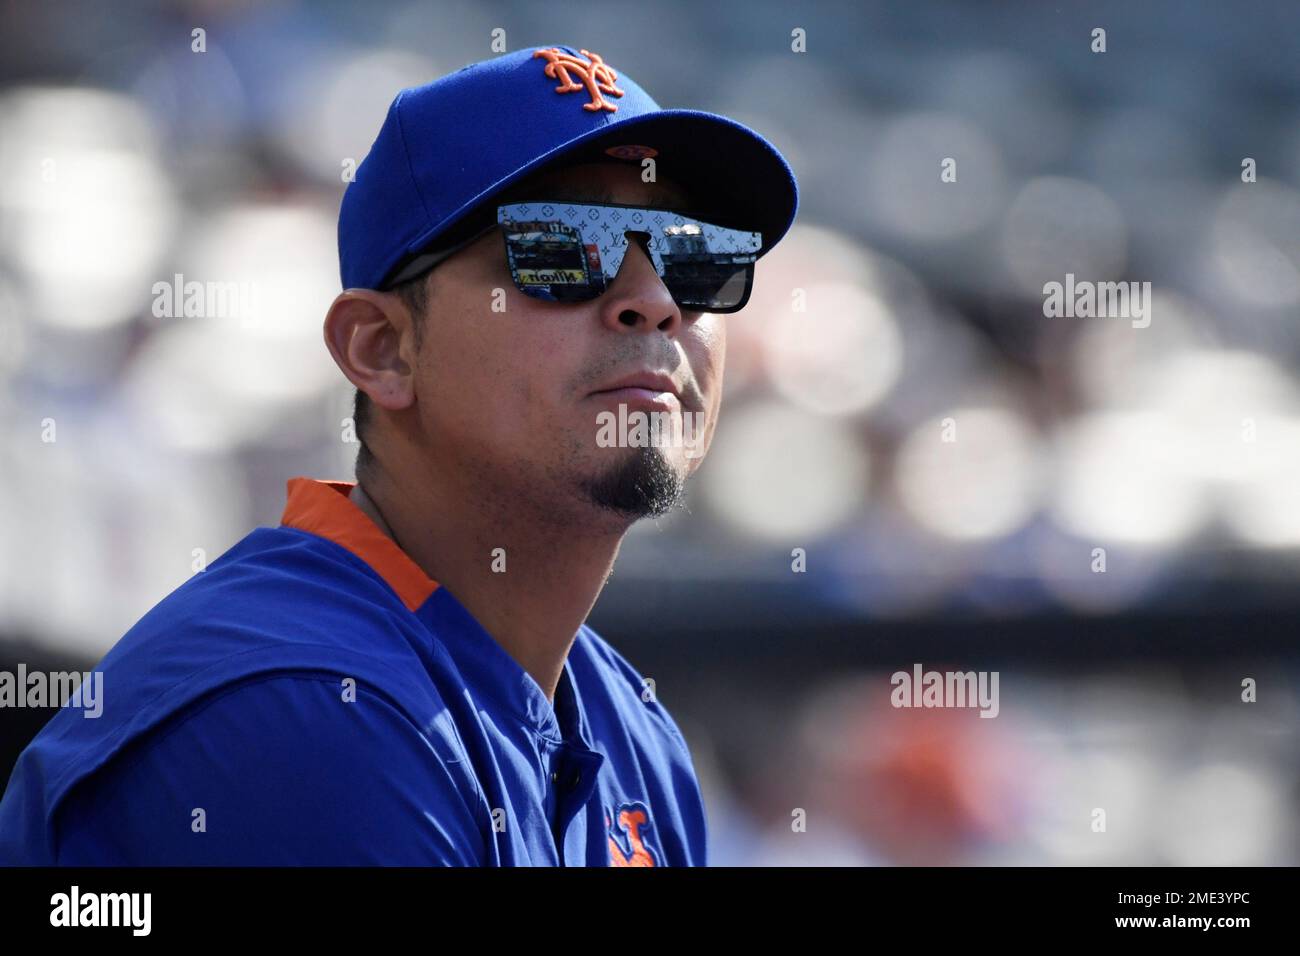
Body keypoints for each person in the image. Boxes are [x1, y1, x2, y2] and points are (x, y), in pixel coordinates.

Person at [0, 44, 798, 865]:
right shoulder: (297, 714)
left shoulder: (631, 726)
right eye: (565, 247)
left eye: (696, 254)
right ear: (382, 349)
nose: (657, 302)